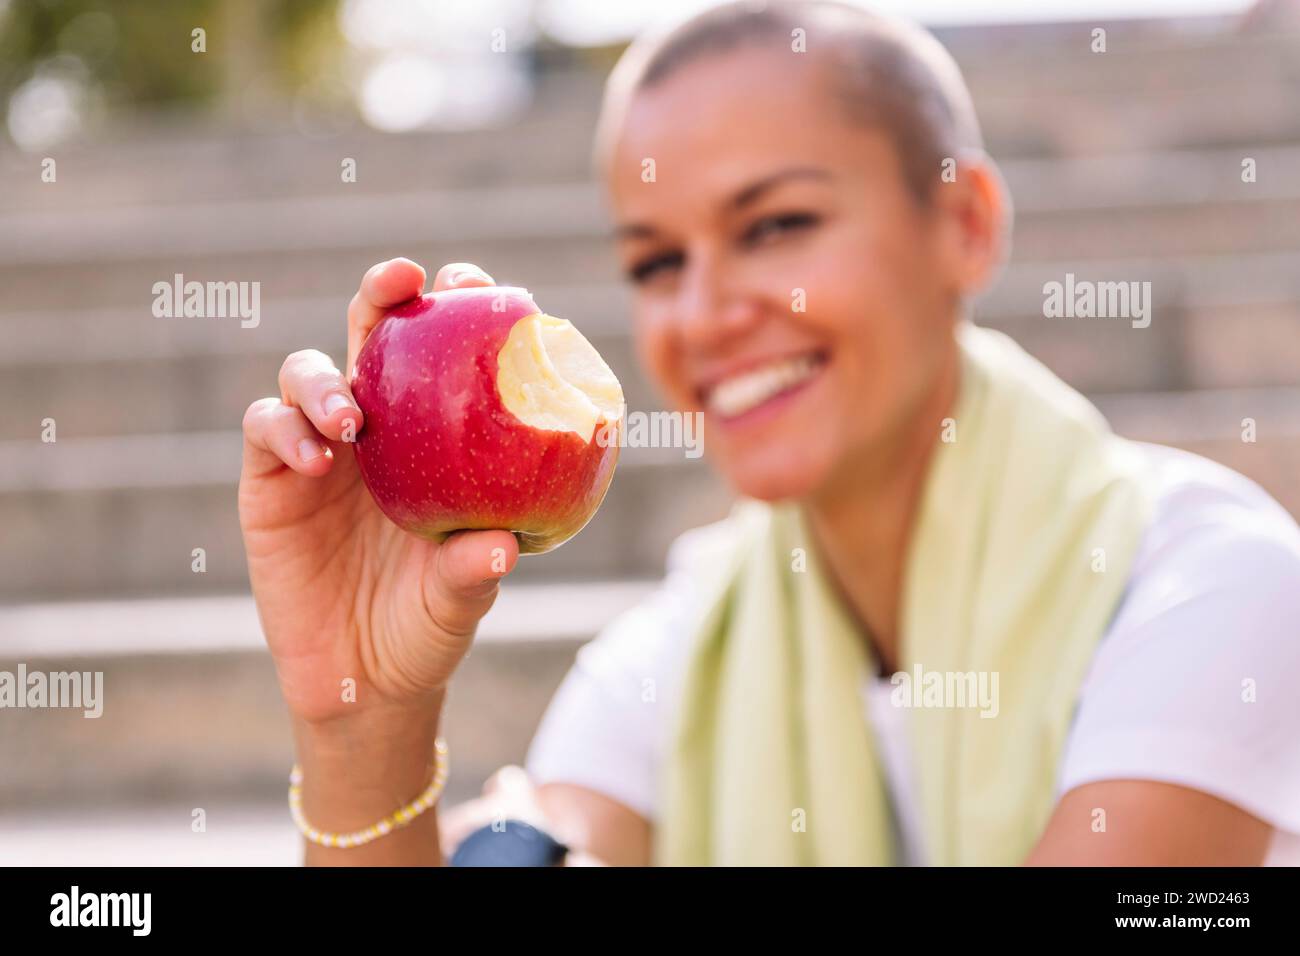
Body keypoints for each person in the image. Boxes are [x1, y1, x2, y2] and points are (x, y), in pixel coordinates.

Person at [238, 1, 1300, 866]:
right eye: (656, 262)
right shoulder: (672, 660)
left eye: (777, 225)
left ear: (964, 223)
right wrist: (362, 720)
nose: (701, 315)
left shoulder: (1206, 585)